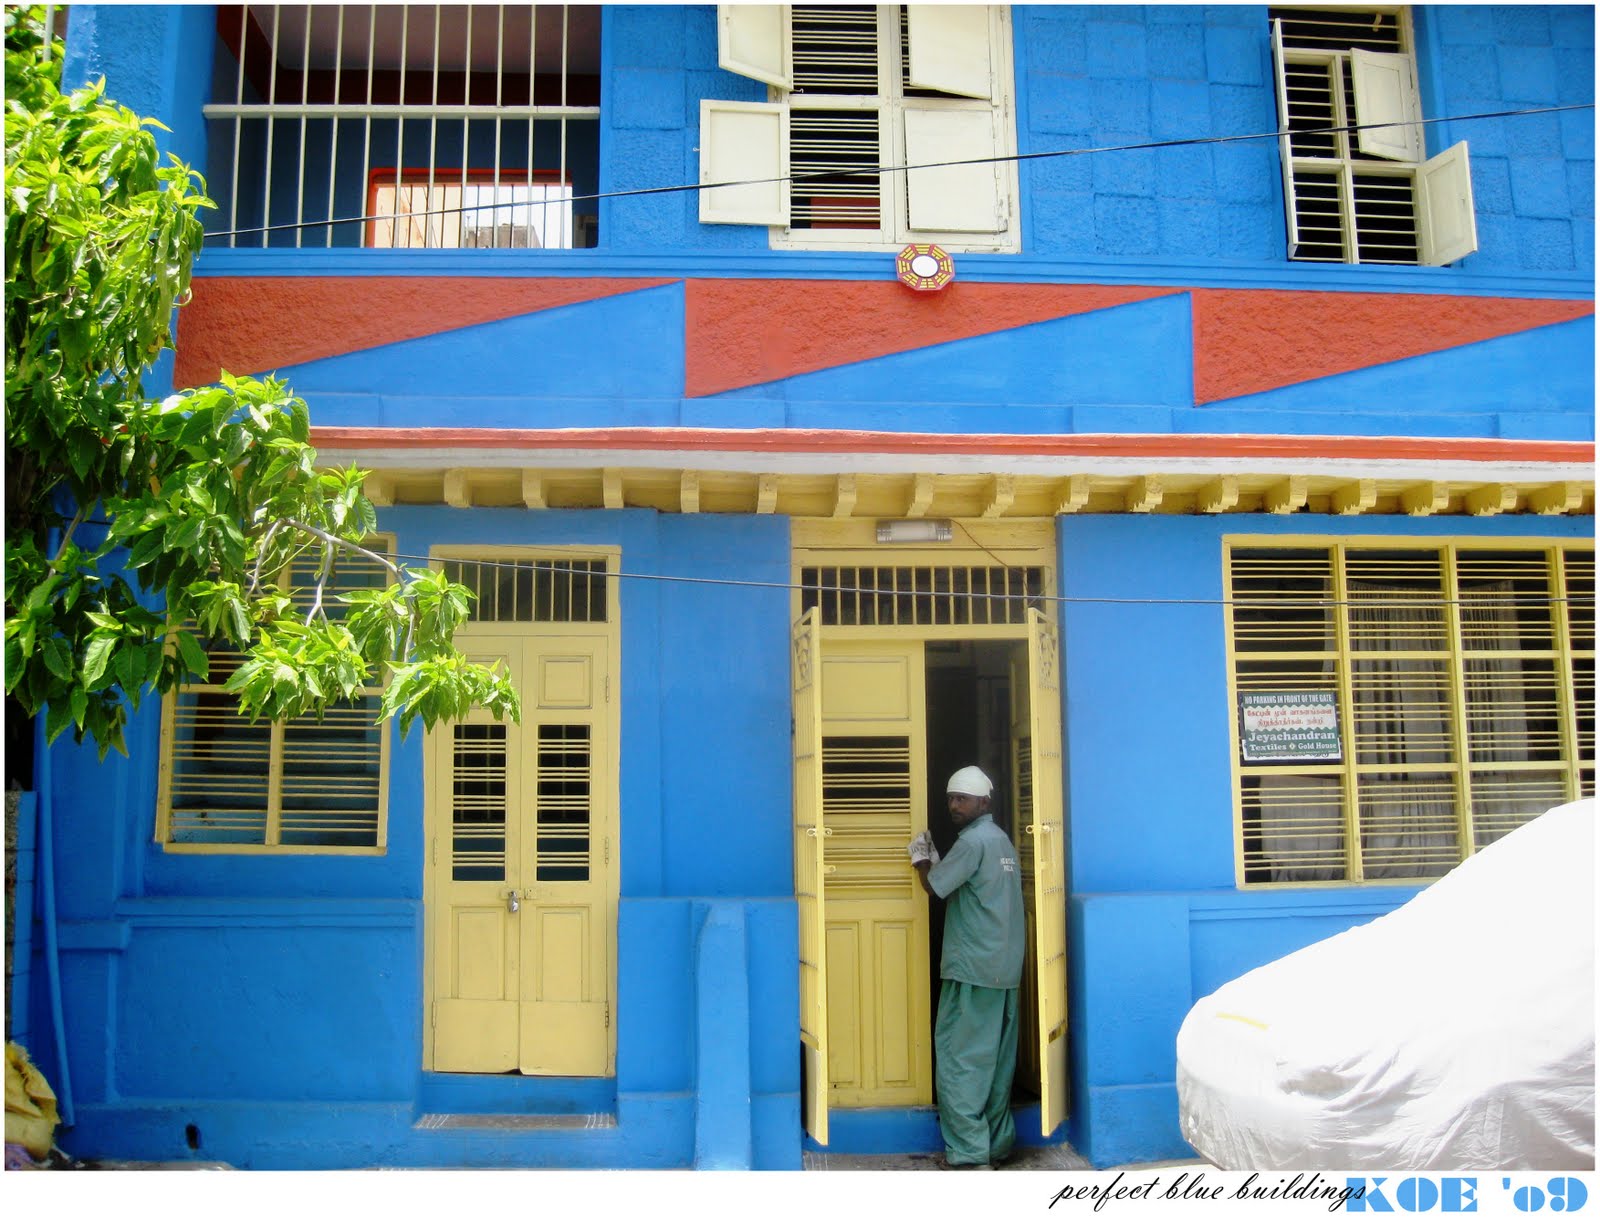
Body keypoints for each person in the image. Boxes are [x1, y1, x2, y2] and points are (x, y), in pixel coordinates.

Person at [908, 765, 1026, 1170]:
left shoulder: (972, 842)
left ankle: (970, 1154)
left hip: (972, 968)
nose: (954, 805)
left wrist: (921, 859)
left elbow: (934, 886)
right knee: (996, 1063)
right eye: (951, 798)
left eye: (962, 799)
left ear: (984, 802)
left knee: (961, 1060)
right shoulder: (1001, 840)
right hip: (1004, 968)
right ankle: (996, 1144)